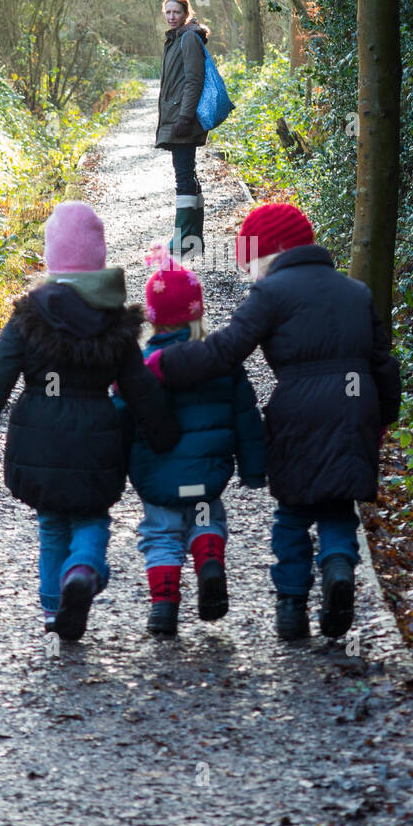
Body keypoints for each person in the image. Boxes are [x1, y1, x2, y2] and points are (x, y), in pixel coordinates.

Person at [143, 203, 401, 642]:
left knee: (293, 514)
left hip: (298, 408)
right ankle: (339, 569)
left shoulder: (272, 294)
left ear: (274, 251)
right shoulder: (356, 291)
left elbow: (225, 351)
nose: (249, 274)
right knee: (339, 508)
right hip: (356, 408)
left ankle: (291, 608)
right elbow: (384, 364)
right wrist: (382, 419)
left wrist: (164, 364)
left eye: (251, 261)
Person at [0, 201, 179, 641]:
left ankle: (55, 610)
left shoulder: (29, 315)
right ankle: (84, 573)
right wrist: (164, 434)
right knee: (91, 518)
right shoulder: (115, 320)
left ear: (52, 258)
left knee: (52, 523)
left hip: (37, 440)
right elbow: (139, 387)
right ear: (99, 257)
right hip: (97, 437)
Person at [113, 246, 267, 637]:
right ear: (198, 313)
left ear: (151, 318)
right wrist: (254, 469)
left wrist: (109, 474)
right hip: (205, 476)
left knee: (162, 536)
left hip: (158, 478)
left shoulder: (138, 369)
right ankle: (209, 562)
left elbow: (119, 419)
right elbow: (246, 418)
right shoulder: (221, 364)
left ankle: (164, 609)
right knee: (205, 520)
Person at [156, 0, 210, 258]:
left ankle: (184, 239)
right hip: (180, 118)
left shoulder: (188, 38)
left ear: (186, 13)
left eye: (176, 12)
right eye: (168, 12)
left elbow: (194, 80)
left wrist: (185, 118)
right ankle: (193, 238)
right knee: (188, 174)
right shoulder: (175, 38)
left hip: (183, 120)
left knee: (184, 176)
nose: (171, 17)